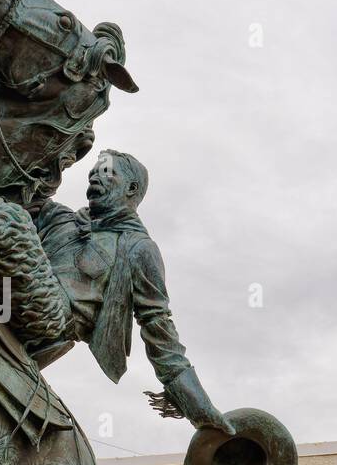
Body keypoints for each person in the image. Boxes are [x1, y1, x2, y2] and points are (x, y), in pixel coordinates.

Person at [32, 149, 233, 434]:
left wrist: (198, 407)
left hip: (43, 327)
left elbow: (158, 327)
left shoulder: (139, 250)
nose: (94, 179)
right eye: (91, 174)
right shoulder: (59, 220)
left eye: (106, 173)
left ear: (132, 188)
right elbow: (18, 190)